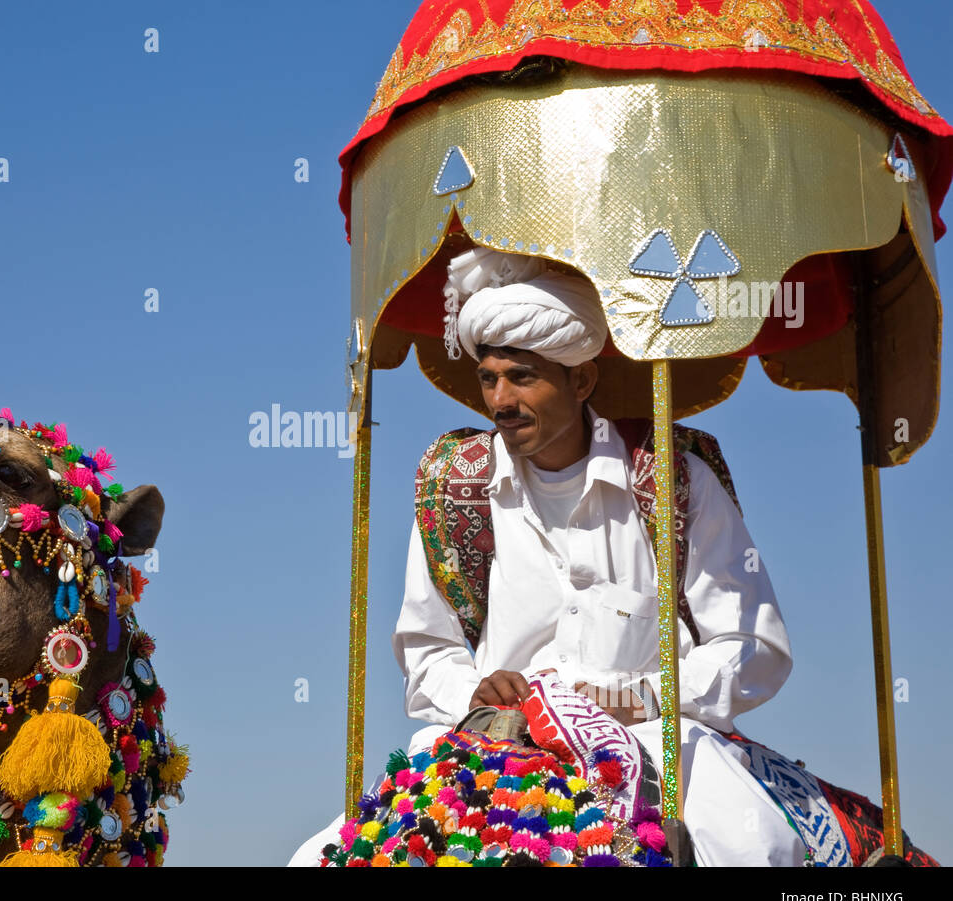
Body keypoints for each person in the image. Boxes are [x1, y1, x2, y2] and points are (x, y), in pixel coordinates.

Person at [290, 247, 804, 867]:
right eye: (488, 378)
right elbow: (427, 655)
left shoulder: (673, 479)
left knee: (756, 848)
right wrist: (476, 689)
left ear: (580, 379)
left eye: (523, 377)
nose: (501, 400)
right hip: (492, 744)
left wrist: (646, 696)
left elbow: (755, 645)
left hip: (655, 739)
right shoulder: (455, 485)